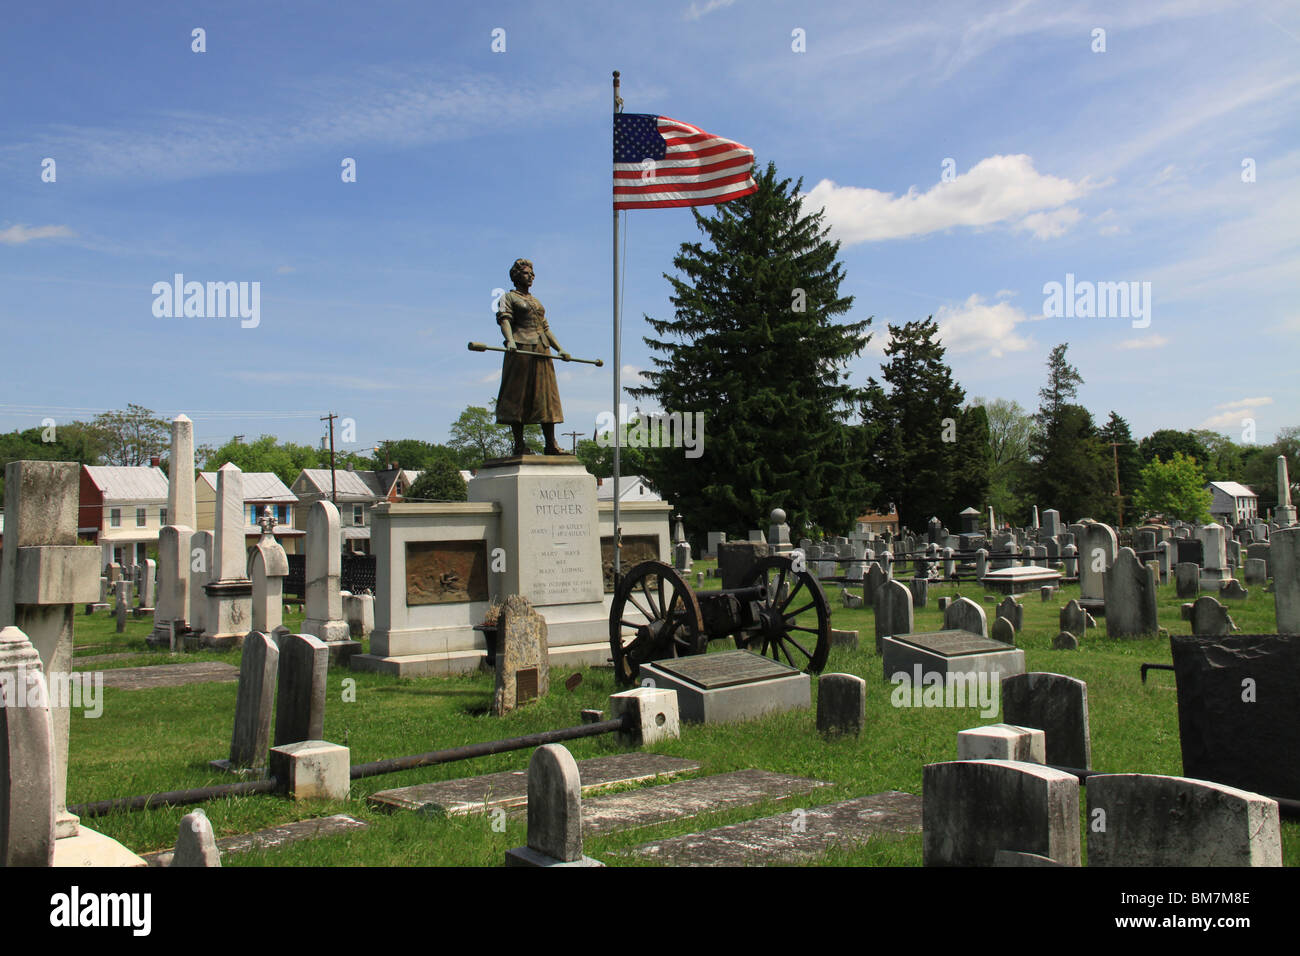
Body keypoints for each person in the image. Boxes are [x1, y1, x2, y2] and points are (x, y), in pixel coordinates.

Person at [494, 258, 570, 455]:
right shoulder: (508, 297)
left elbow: (545, 328)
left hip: (542, 350)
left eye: (532, 273)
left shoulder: (536, 301)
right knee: (518, 396)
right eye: (527, 273)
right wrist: (510, 340)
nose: (532, 276)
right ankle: (519, 444)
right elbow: (505, 320)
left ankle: (550, 444)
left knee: (547, 398)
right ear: (517, 276)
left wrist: (560, 349)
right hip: (521, 348)